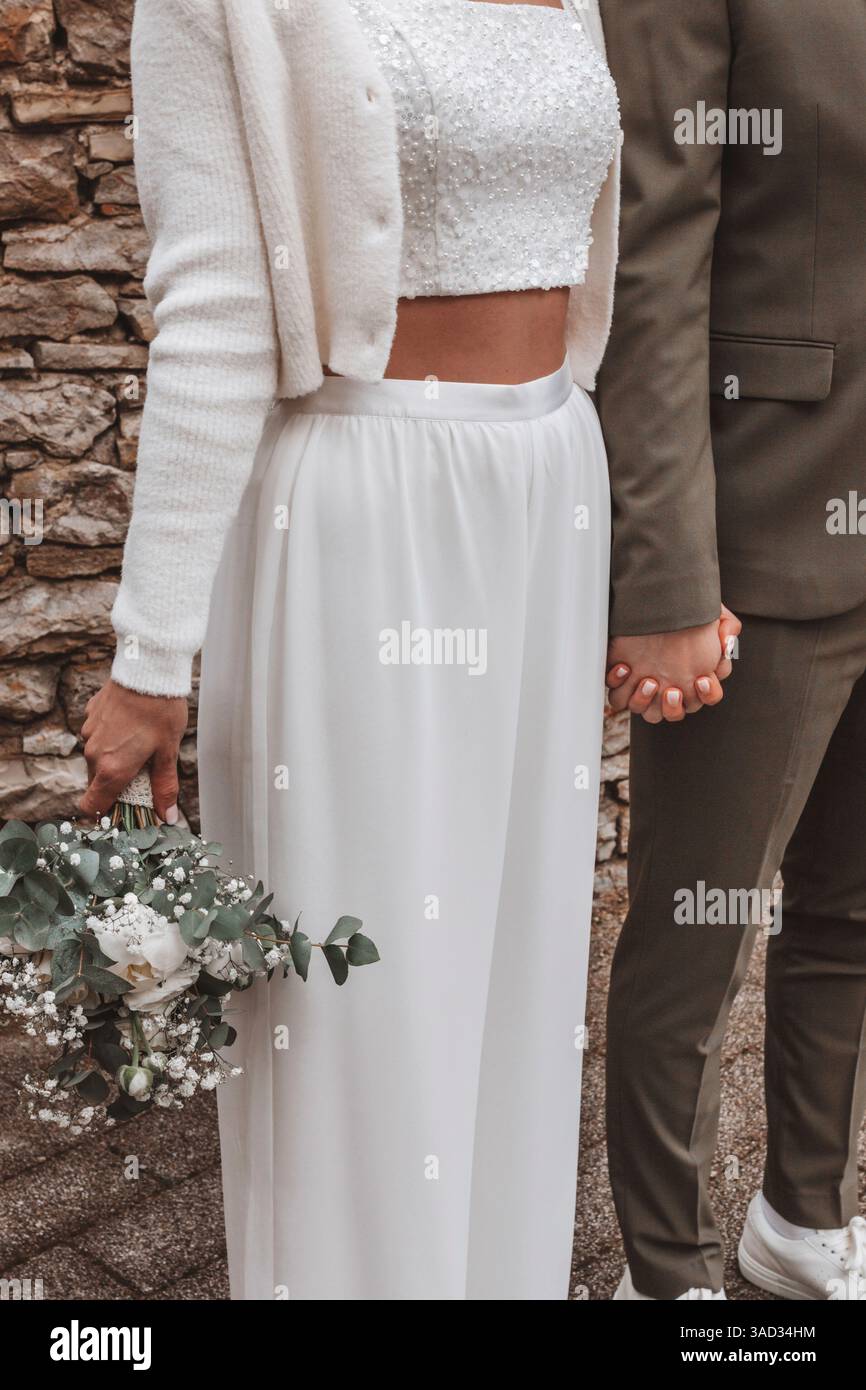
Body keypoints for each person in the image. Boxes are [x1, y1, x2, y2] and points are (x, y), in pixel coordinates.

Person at [80, 0, 636, 1300]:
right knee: (363, 1013)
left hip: (546, 492)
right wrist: (151, 656)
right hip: (361, 513)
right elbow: (213, 304)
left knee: (513, 983)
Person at [598, 0, 866, 1300]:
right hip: (762, 525)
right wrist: (661, 571)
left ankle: (803, 1218)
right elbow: (647, 257)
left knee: (852, 908)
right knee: (691, 948)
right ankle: (667, 1273)